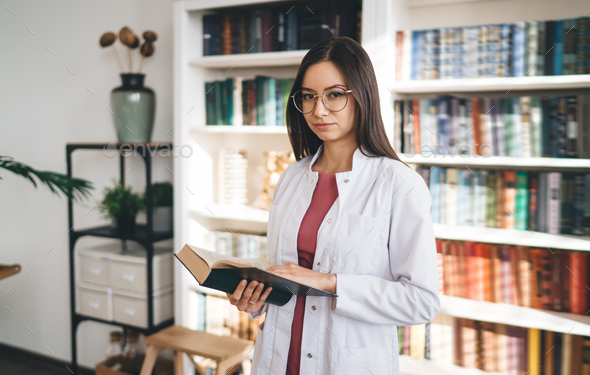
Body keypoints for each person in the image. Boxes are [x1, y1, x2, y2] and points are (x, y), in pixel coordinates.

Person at [226, 36, 441, 375]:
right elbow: (289, 278)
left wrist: (329, 282)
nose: (318, 110)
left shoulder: (399, 184)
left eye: (335, 95)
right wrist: (255, 298)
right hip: (277, 360)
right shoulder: (292, 177)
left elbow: (421, 302)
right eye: (308, 97)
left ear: (362, 95)